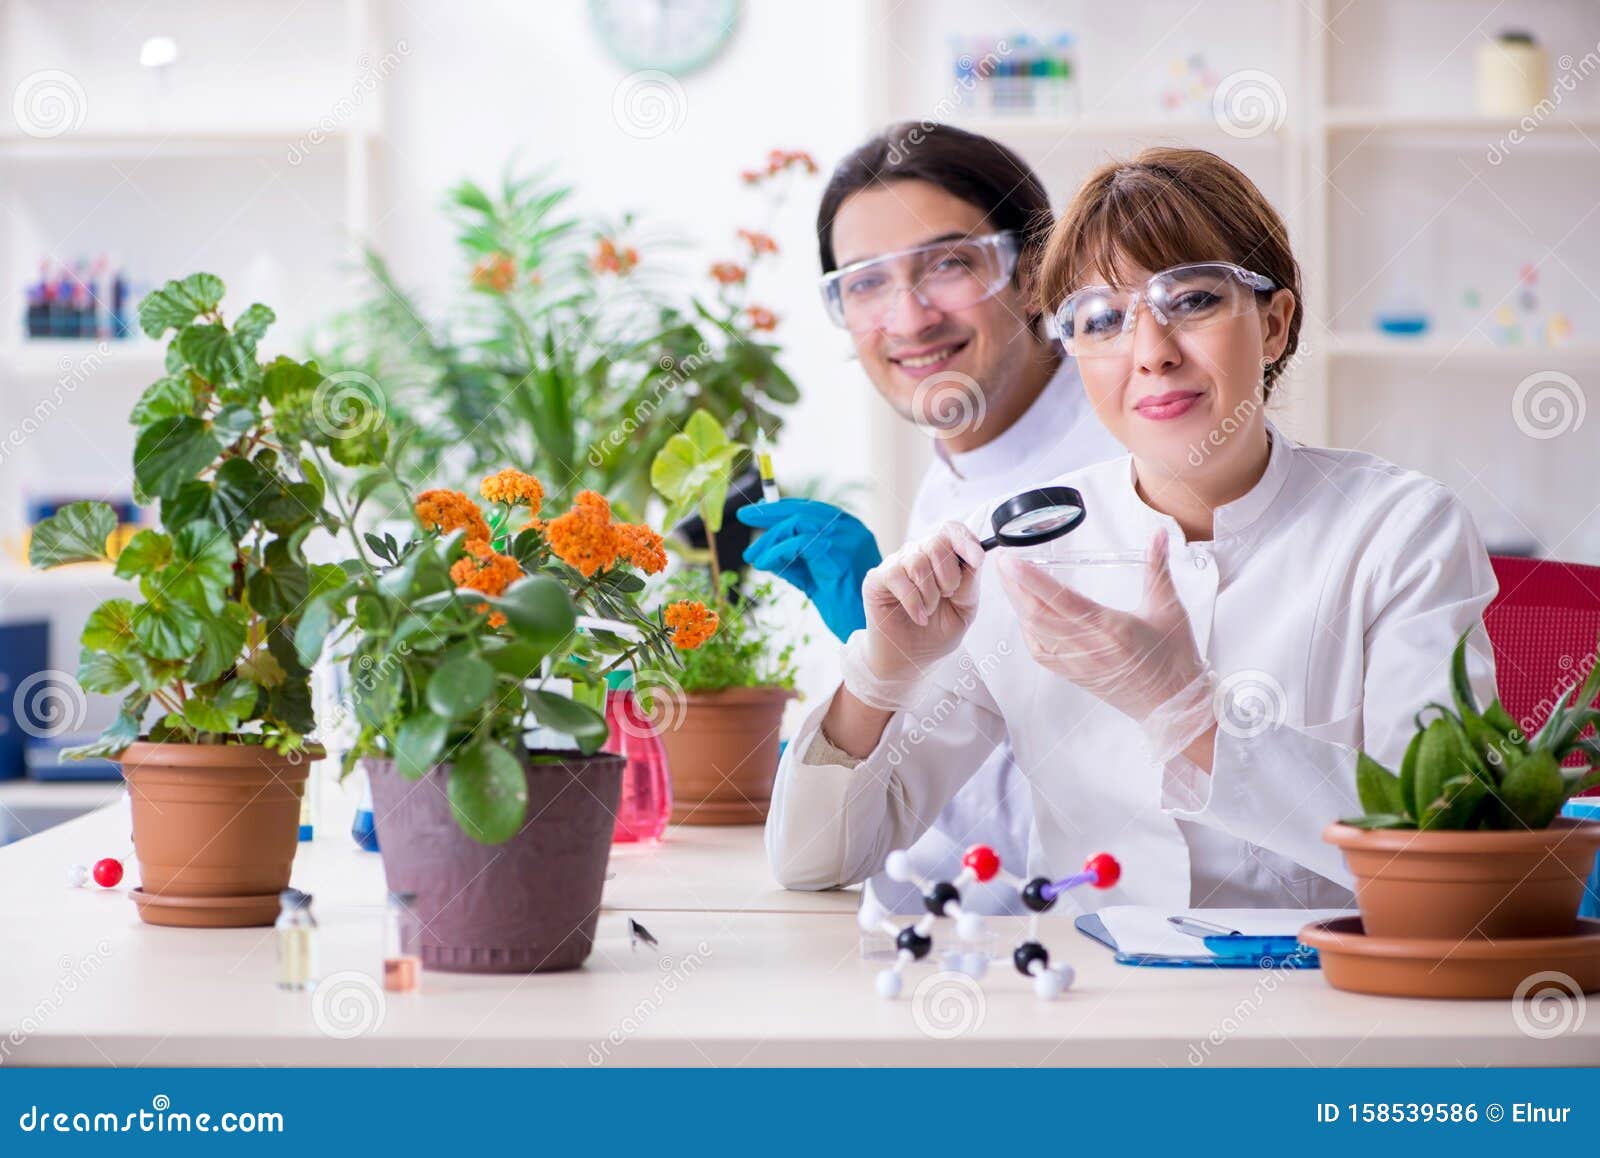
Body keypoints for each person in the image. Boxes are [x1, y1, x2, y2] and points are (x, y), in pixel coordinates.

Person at [765, 146, 1500, 911]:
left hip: (1330, 1002)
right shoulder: (1016, 551)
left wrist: (1185, 711)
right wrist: (881, 676)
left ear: (1275, 324)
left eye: (1192, 301)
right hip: (1083, 1009)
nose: (1150, 353)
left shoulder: (1400, 533)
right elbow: (814, 861)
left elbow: (1450, 861)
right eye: (1103, 319)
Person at [737, 124, 1121, 913]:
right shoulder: (951, 479)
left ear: (1031, 273)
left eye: (949, 264)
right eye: (866, 283)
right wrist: (876, 656)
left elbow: (1079, 796)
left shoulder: (1129, 459)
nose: (908, 319)